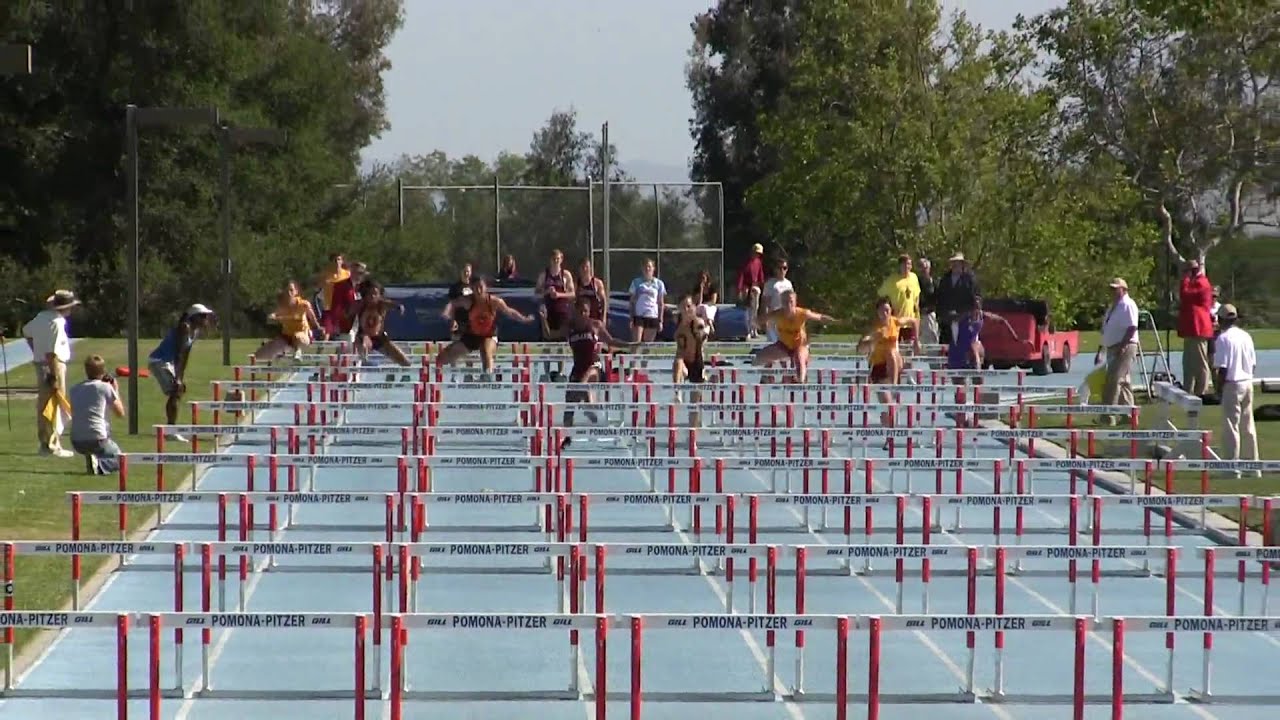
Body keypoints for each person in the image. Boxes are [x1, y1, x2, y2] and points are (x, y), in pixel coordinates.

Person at [560, 294, 635, 449]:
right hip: (578, 367)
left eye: (586, 311)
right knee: (569, 402)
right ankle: (567, 436)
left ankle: (588, 402)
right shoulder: (569, 327)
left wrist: (630, 345)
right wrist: (542, 319)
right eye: (580, 311)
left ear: (589, 312)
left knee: (584, 381)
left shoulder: (595, 325)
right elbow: (549, 335)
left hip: (595, 366)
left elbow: (611, 341)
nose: (583, 314)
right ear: (575, 311)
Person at [22, 290, 79, 458]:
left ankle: (45, 443)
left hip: (41, 363)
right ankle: (53, 445)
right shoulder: (57, 322)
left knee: (44, 405)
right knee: (54, 404)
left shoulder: (41, 317)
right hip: (53, 364)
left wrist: (35, 351)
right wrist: (53, 375)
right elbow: (52, 352)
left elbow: (26, 332)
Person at [148, 303, 216, 443]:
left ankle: (170, 430)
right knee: (175, 392)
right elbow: (179, 353)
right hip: (160, 360)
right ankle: (171, 432)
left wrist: (180, 377)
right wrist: (177, 379)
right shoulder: (184, 327)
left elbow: (185, 356)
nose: (206, 319)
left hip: (169, 362)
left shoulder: (194, 332)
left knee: (177, 392)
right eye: (203, 316)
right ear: (194, 317)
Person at [436, 277, 533, 373]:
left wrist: (524, 319)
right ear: (472, 289)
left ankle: (488, 377)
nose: (478, 290)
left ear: (486, 287)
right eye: (475, 288)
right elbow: (452, 303)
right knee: (442, 357)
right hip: (472, 335)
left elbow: (509, 311)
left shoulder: (494, 301)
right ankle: (435, 381)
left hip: (489, 335)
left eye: (481, 287)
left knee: (486, 353)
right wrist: (446, 313)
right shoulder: (468, 301)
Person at [857, 296, 921, 432]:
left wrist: (916, 341)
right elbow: (860, 349)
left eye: (887, 310)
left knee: (891, 352)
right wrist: (871, 341)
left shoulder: (896, 322)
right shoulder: (874, 328)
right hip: (879, 368)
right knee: (888, 408)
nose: (884, 314)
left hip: (895, 364)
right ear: (877, 312)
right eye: (881, 311)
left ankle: (895, 386)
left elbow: (914, 320)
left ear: (891, 311)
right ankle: (889, 427)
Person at [1213, 304, 1259, 477]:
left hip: (1232, 383)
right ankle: (1253, 466)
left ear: (1220, 319)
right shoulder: (1246, 336)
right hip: (1247, 381)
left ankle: (1232, 468)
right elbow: (1253, 363)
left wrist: (1219, 388)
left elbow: (1222, 368)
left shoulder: (1223, 338)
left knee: (1231, 427)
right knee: (1248, 426)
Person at [753, 290, 835, 383]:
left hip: (800, 345)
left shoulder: (803, 313)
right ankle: (768, 375)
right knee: (757, 359)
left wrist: (834, 321)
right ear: (781, 303)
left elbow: (819, 317)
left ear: (795, 302)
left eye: (791, 302)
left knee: (799, 359)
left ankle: (801, 381)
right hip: (784, 346)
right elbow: (759, 320)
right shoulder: (777, 314)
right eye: (785, 302)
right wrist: (757, 321)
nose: (788, 305)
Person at [68, 355, 125, 475]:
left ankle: (94, 458)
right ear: (103, 371)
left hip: (76, 440)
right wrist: (115, 389)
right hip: (97, 439)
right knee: (122, 460)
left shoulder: (74, 389)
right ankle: (100, 465)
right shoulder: (105, 387)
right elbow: (120, 413)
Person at [1095, 277, 1139, 426]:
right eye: (1111, 289)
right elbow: (1106, 330)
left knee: (1113, 380)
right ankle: (1129, 414)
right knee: (1123, 381)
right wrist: (1101, 349)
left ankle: (1108, 415)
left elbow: (1132, 327)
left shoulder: (1128, 304)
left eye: (1115, 288)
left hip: (1125, 346)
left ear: (1124, 289)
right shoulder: (1113, 307)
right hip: (1113, 346)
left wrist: (1123, 345)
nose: (1112, 292)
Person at [946, 298, 1021, 371]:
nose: (976, 312)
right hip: (959, 347)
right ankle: (971, 365)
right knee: (960, 380)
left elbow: (1003, 320)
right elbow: (952, 321)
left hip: (973, 345)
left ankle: (977, 368)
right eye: (974, 308)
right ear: (970, 308)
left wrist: (1015, 336)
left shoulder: (982, 315)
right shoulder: (963, 317)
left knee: (975, 348)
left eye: (978, 308)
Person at [253, 280, 322, 361]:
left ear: (296, 292)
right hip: (287, 337)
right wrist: (272, 316)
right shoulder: (283, 306)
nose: (289, 293)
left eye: (291, 290)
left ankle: (297, 353)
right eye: (287, 291)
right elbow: (273, 315)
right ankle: (280, 351)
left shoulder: (303, 304)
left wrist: (318, 327)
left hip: (303, 335)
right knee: (259, 355)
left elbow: (309, 318)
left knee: (297, 336)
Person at [1176, 259, 1215, 397]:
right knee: (1188, 361)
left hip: (1198, 326)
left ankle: (1202, 390)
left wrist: (1185, 279)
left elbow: (1185, 295)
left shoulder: (1201, 283)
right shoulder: (1195, 282)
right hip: (1191, 328)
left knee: (1200, 361)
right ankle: (1188, 388)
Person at [353, 280, 411, 366]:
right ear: (365, 295)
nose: (372, 296)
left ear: (379, 295)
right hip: (363, 337)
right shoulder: (360, 304)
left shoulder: (382, 304)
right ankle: (363, 361)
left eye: (375, 294)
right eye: (369, 294)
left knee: (406, 362)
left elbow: (392, 304)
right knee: (364, 343)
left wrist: (399, 307)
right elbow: (347, 312)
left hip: (380, 338)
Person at [674, 296, 712, 426]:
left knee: (694, 404)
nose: (686, 309)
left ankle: (692, 435)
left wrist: (703, 331)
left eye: (689, 306)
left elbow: (702, 329)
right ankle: (677, 392)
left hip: (697, 363)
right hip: (684, 363)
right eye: (684, 306)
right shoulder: (678, 324)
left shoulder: (696, 322)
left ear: (694, 308)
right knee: (677, 361)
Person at [935, 252, 981, 345]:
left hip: (964, 318)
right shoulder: (945, 279)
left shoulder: (969, 279)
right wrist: (941, 314)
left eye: (958, 263)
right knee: (947, 344)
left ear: (962, 264)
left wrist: (973, 312)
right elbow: (940, 298)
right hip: (947, 319)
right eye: (954, 263)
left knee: (965, 343)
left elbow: (976, 296)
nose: (956, 265)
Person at [878, 254, 922, 345]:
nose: (907, 267)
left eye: (909, 264)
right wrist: (888, 309)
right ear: (900, 266)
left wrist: (916, 308)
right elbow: (880, 295)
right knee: (894, 348)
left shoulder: (914, 277)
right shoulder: (892, 280)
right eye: (904, 264)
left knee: (909, 349)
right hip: (896, 321)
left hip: (910, 321)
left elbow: (917, 295)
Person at [536, 249, 576, 340]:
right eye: (554, 259)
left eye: (558, 259)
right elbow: (536, 293)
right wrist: (547, 291)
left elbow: (573, 294)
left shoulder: (565, 275)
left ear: (561, 259)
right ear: (550, 260)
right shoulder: (544, 275)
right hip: (548, 312)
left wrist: (559, 294)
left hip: (562, 311)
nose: (556, 261)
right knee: (547, 338)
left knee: (562, 338)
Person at [628, 258, 667, 343]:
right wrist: (631, 318)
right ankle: (634, 356)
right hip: (639, 316)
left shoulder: (659, 283)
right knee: (636, 343)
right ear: (642, 269)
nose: (647, 269)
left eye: (649, 267)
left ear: (653, 268)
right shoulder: (636, 282)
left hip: (652, 315)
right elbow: (632, 302)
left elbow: (661, 303)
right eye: (645, 267)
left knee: (647, 345)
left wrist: (660, 321)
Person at [327, 261, 367, 342]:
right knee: (347, 349)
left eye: (362, 274)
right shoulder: (342, 285)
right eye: (358, 273)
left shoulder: (364, 288)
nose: (360, 276)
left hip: (361, 326)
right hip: (346, 326)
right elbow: (336, 306)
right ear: (352, 272)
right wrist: (335, 324)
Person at [736, 243, 766, 338]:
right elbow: (741, 275)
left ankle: (754, 330)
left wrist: (762, 284)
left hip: (755, 287)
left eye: (758, 253)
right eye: (756, 252)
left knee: (755, 310)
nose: (757, 255)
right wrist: (740, 289)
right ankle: (747, 330)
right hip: (746, 287)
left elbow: (760, 275)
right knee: (748, 310)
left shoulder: (758, 262)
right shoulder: (746, 263)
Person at [761, 259, 794, 343]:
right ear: (775, 269)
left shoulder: (788, 284)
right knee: (773, 344)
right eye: (779, 268)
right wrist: (765, 319)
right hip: (773, 318)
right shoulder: (770, 284)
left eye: (784, 268)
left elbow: (792, 301)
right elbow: (765, 303)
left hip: (785, 318)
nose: (782, 270)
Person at [314, 252, 350, 326]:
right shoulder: (325, 275)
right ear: (331, 262)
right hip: (329, 307)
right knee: (327, 330)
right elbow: (317, 287)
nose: (337, 262)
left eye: (339, 259)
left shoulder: (347, 274)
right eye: (334, 260)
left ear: (342, 261)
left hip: (343, 308)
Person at [576, 257, 608, 322]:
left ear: (590, 268)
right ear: (579, 269)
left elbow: (603, 301)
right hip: (582, 319)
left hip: (595, 317)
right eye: (582, 267)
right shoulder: (576, 284)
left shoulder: (597, 283)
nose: (585, 269)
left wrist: (603, 317)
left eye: (586, 267)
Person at [447, 263, 474, 340]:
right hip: (459, 321)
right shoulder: (455, 288)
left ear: (471, 272)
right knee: (457, 346)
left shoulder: (474, 286)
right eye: (464, 271)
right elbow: (451, 305)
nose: (466, 273)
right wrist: (453, 320)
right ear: (461, 272)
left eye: (468, 271)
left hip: (472, 321)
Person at [917, 257, 940, 345]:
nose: (923, 270)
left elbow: (938, 299)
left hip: (930, 315)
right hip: (917, 316)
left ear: (929, 269)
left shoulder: (934, 283)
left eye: (925, 268)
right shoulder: (914, 282)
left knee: (932, 338)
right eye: (920, 267)